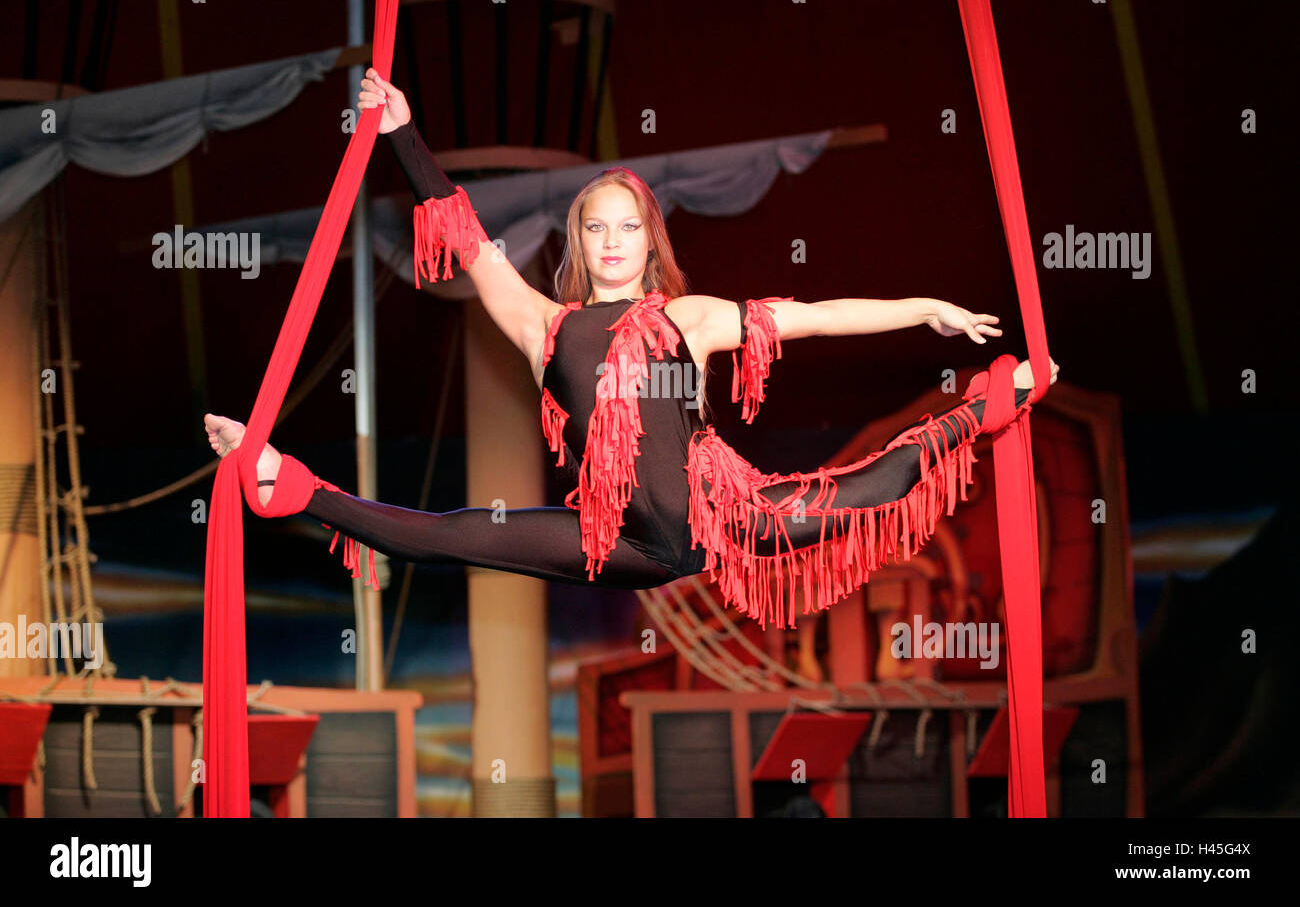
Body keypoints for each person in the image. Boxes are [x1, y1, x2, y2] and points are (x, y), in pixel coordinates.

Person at [203, 69, 1058, 628]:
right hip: (615, 545)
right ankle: (290, 483)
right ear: (579, 242)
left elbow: (816, 314)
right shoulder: (548, 326)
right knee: (448, 535)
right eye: (595, 228)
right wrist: (401, 132)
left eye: (627, 229)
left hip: (724, 516)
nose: (612, 242)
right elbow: (464, 239)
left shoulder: (689, 320)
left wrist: (926, 309)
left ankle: (990, 402)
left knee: (868, 486)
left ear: (649, 244)